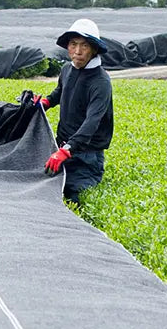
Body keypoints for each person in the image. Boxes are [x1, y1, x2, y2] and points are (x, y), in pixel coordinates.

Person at [21, 17, 113, 202]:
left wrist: (67, 150)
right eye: (73, 44)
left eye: (84, 46)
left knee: (71, 195)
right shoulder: (66, 70)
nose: (77, 51)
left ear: (94, 49)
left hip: (86, 156)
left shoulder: (100, 82)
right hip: (61, 146)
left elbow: (92, 122)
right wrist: (44, 103)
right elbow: (60, 92)